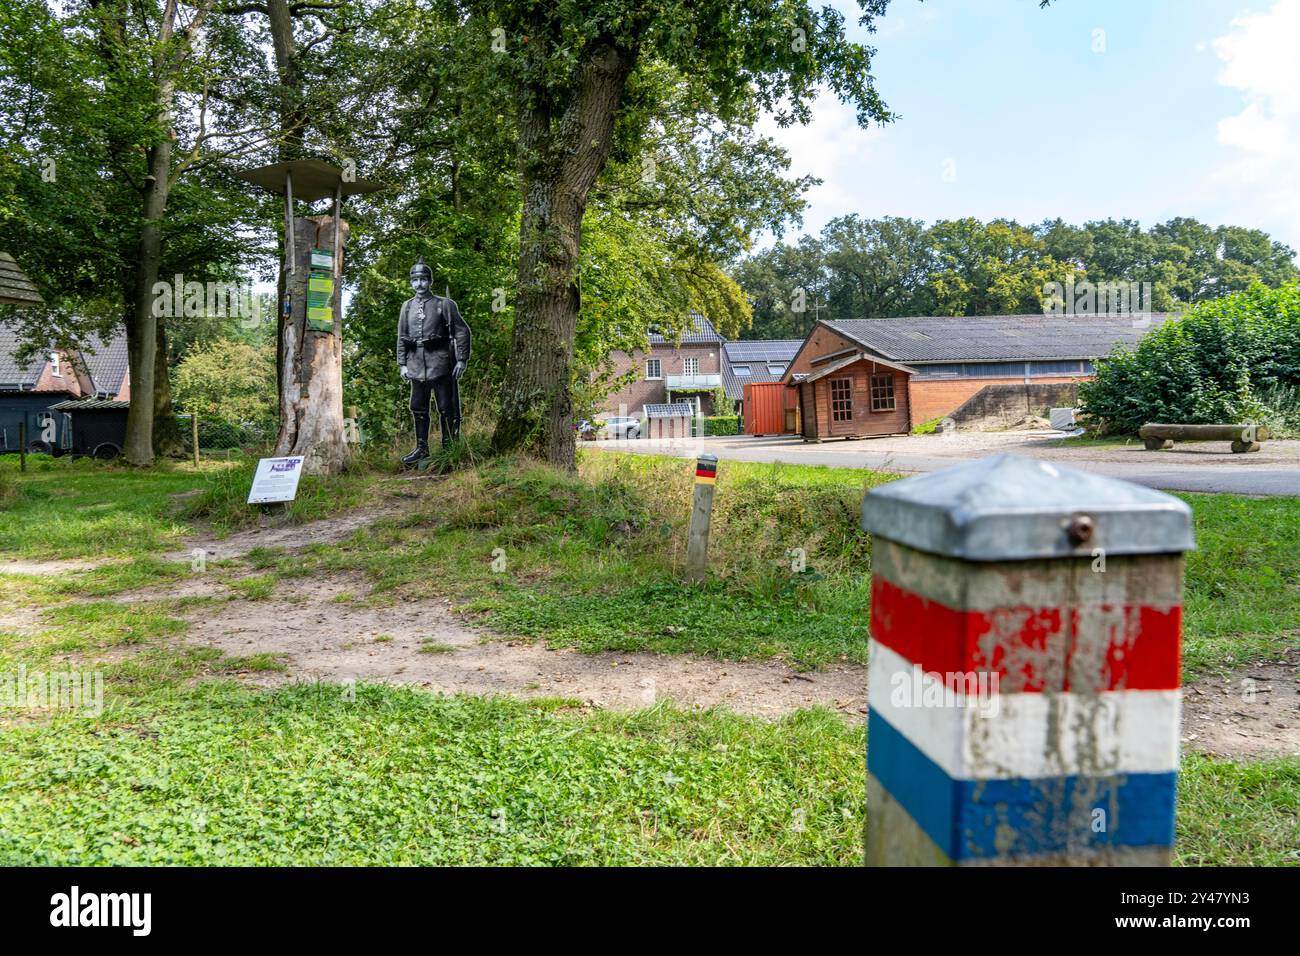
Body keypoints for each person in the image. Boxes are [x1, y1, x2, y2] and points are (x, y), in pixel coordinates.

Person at [396, 257, 470, 464]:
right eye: (415, 280)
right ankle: (422, 448)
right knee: (418, 407)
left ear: (430, 281)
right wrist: (402, 364)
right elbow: (402, 336)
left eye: (423, 279)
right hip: (416, 365)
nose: (419, 284)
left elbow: (462, 331)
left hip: (441, 363)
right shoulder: (407, 307)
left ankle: (449, 447)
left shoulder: (443, 304)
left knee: (446, 407)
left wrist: (461, 360)